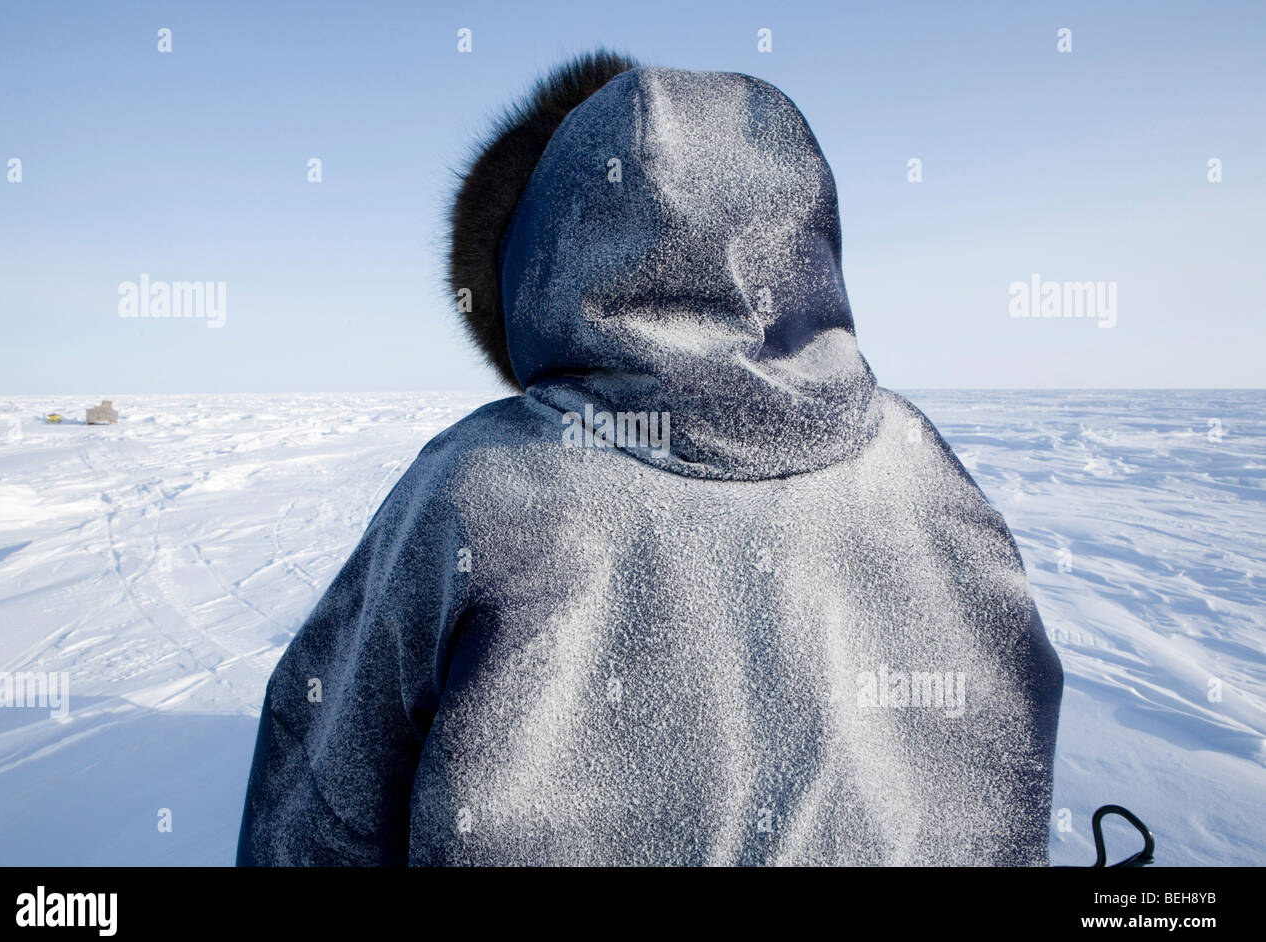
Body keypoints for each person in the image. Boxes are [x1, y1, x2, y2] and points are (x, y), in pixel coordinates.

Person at [236, 50, 1064, 866]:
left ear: (541, 266)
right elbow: (1012, 752)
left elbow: (319, 801)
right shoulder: (922, 469)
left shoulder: (476, 486)